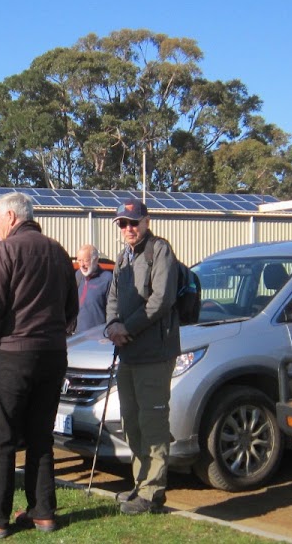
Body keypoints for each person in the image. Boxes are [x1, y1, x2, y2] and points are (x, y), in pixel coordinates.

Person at [0, 192, 77, 537]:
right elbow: (72, 311)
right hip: (53, 354)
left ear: (12, 217)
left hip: (11, 356)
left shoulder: (4, 251)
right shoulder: (60, 253)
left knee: (1, 439)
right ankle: (43, 512)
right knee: (40, 436)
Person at [105, 198, 181, 515]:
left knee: (152, 422)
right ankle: (141, 484)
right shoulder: (123, 259)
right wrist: (112, 326)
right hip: (128, 353)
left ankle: (152, 492)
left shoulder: (160, 251)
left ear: (147, 221)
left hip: (154, 353)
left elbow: (161, 300)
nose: (128, 228)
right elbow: (112, 297)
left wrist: (127, 327)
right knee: (131, 422)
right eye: (123, 223)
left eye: (133, 222)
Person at [75, 244, 113, 333]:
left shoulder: (107, 278)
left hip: (99, 337)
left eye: (85, 261)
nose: (82, 265)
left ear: (95, 260)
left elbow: (113, 309)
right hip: (77, 336)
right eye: (79, 261)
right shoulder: (78, 275)